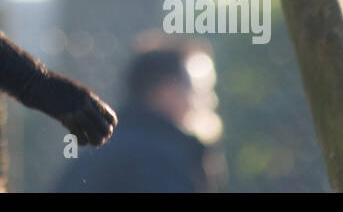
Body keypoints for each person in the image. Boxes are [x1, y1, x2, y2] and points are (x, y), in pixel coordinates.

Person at [56, 42, 222, 192]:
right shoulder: (159, 161)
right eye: (198, 90)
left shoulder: (96, 150)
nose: (209, 101)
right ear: (166, 91)